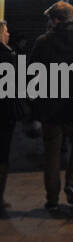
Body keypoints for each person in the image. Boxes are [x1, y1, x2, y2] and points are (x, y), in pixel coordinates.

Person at [29, 1, 73, 214]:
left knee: (51, 154)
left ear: (55, 19)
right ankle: (72, 182)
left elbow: (33, 74)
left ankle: (52, 198)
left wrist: (36, 105)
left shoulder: (43, 41)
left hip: (51, 108)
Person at [0, 21, 16, 216]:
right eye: (5, 30)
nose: (8, 33)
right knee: (2, 155)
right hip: (4, 113)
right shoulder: (7, 56)